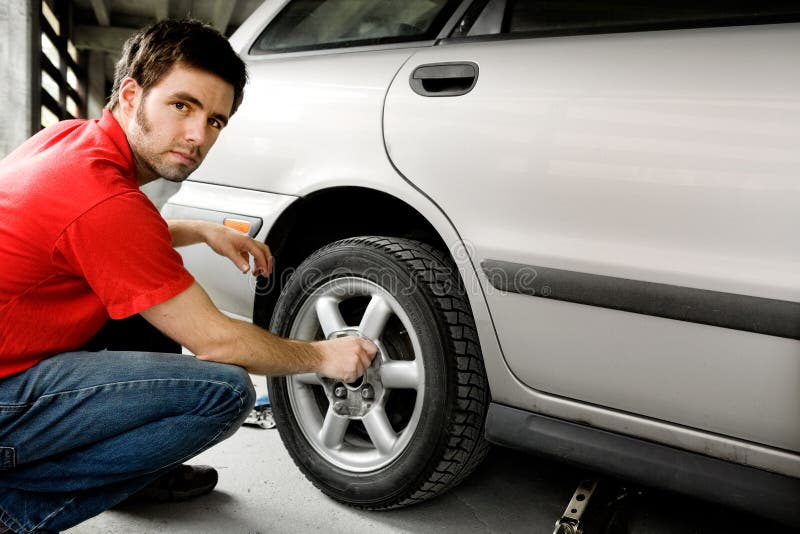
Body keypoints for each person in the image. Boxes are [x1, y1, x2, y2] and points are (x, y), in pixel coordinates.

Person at [0, 19, 377, 534]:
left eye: (216, 120)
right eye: (182, 106)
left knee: (142, 307)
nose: (199, 136)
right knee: (224, 391)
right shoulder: (105, 201)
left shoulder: (69, 140)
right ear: (131, 95)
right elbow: (217, 341)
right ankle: (14, 510)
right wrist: (321, 356)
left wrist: (202, 231)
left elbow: (105, 238)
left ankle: (135, 475)